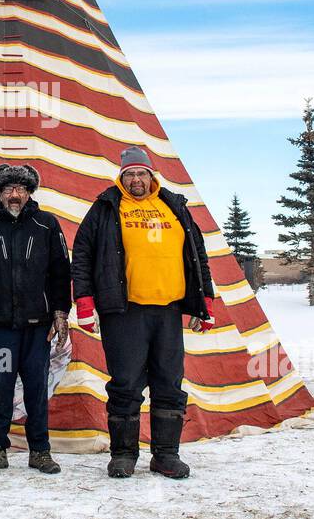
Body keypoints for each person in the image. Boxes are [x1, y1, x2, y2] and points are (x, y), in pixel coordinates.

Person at [70, 146, 216, 480]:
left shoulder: (174, 206)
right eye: (130, 174)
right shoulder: (106, 207)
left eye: (141, 173)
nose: (136, 179)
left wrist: (205, 301)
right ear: (121, 177)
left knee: (169, 383)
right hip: (123, 311)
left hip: (167, 311)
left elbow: (197, 255)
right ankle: (123, 455)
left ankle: (165, 455)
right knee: (125, 384)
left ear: (152, 175)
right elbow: (82, 256)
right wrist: (85, 302)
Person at [0, 164, 71, 476]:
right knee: (3, 385)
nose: (15, 194)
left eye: (21, 189)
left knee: (37, 387)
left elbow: (62, 273)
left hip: (39, 330)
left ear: (29, 192)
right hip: (1, 328)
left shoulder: (46, 224)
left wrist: (61, 314)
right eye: (8, 188)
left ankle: (40, 450)